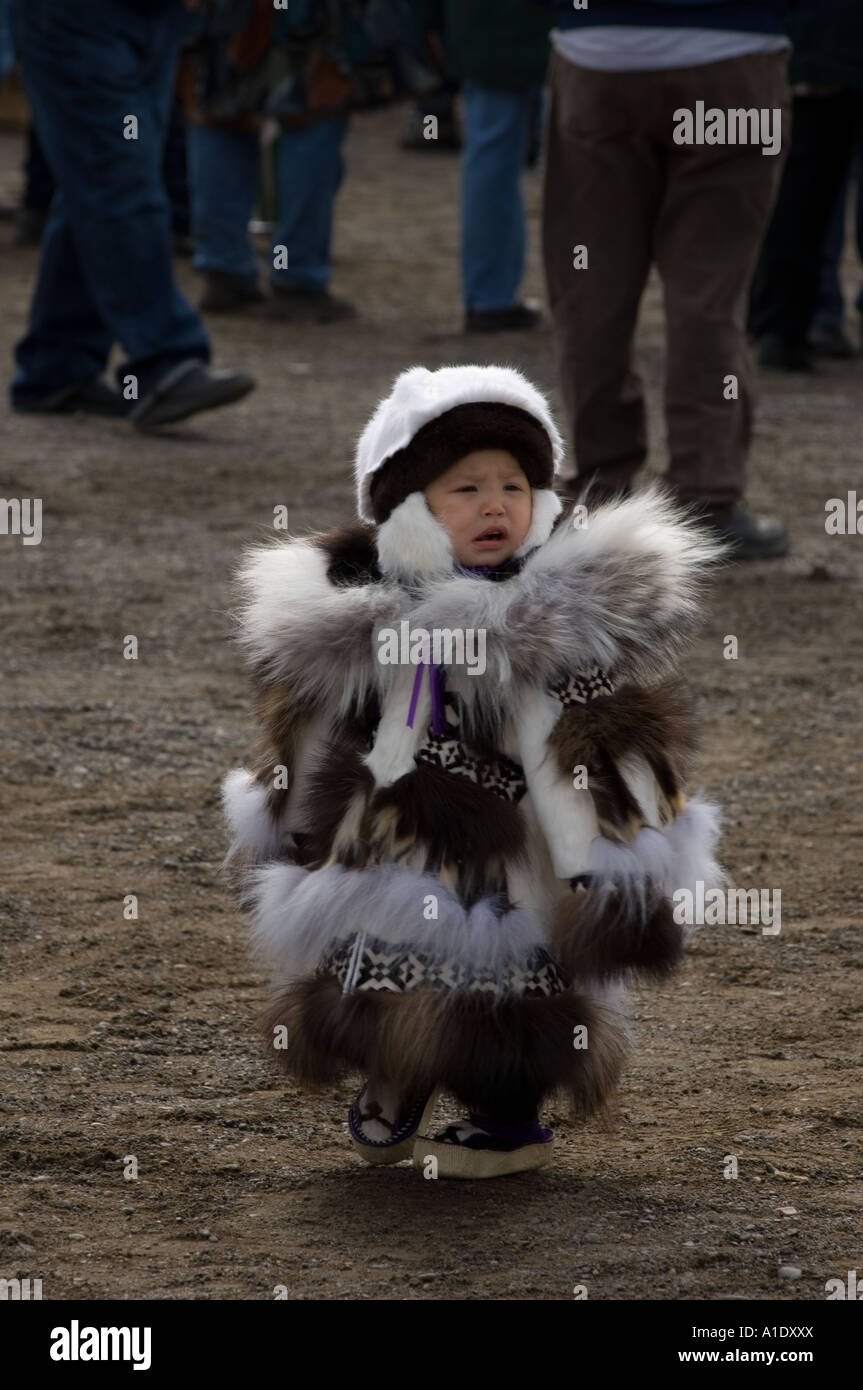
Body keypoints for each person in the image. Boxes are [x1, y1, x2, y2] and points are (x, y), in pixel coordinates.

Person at [222, 363, 725, 1179]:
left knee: (516, 985)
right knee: (378, 959)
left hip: (514, 858)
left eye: (514, 484)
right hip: (395, 837)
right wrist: (281, 826)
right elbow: (306, 739)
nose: (496, 505)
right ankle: (397, 1067)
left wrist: (609, 867)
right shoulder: (357, 619)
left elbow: (594, 746)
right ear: (408, 510)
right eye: (465, 488)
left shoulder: (552, 618)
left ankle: (505, 1119)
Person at [540, 0, 792, 560]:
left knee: (591, 288)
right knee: (708, 295)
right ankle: (706, 499)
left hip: (599, 54)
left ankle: (597, 490)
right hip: (734, 56)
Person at [9, 0, 254, 428]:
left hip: (155, 13)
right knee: (116, 174)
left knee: (101, 175)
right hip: (74, 14)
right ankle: (165, 360)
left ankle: (57, 365)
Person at [408, 0, 553, 331]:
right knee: (572, 162)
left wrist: (427, 22)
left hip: (481, 27)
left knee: (490, 155)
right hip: (569, 31)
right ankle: (583, 300)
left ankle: (489, 297)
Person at [750, 0, 863, 371]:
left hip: (817, 51)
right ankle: (785, 328)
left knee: (799, 200)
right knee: (799, 202)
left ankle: (785, 328)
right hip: (820, 54)